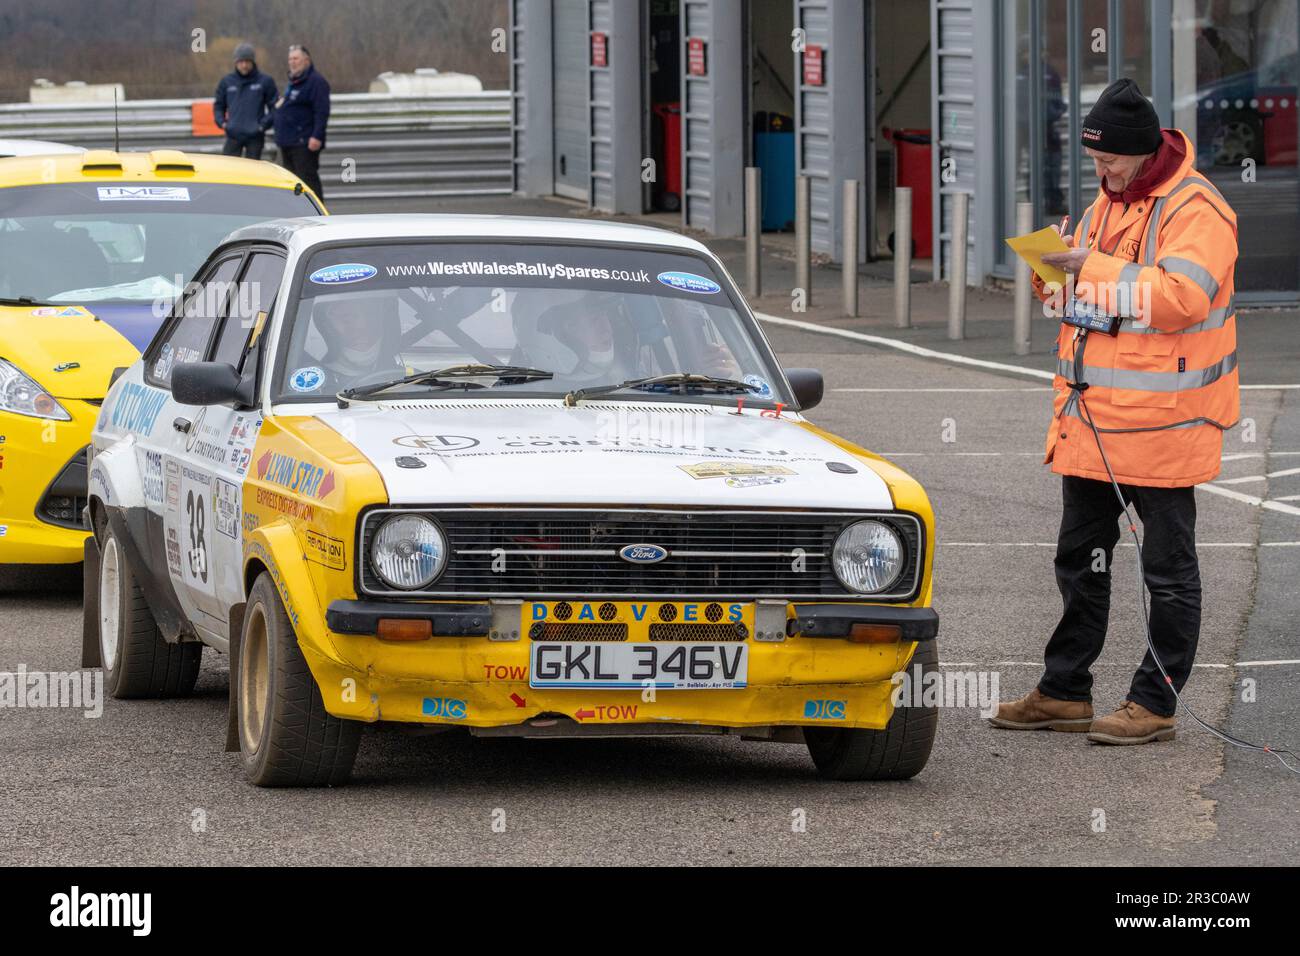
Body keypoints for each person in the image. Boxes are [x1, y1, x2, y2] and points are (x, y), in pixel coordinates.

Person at [990, 78, 1239, 745]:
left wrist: (1088, 266)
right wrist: (1054, 273)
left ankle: (1154, 703)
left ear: (1143, 151)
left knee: (1167, 572)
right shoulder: (1111, 200)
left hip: (1162, 425)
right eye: (1095, 162)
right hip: (1095, 419)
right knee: (1080, 561)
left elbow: (1181, 297)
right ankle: (1065, 690)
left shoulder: (1197, 208)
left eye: (1110, 162)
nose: (1101, 173)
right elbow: (1093, 293)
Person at [273, 44, 330, 201]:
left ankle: (318, 215)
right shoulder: (294, 82)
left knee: (308, 180)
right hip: (287, 142)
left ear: (306, 60)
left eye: (296, 58)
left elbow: (322, 111)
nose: (292, 62)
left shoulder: (316, 82)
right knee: (293, 183)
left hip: (304, 143)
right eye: (290, 59)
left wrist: (317, 136)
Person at [213, 43, 277, 159]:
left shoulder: (265, 81)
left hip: (255, 135)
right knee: (227, 168)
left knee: (253, 172)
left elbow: (275, 107)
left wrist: (262, 126)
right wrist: (223, 123)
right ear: (236, 62)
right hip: (233, 134)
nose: (244, 65)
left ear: (253, 62)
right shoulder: (227, 82)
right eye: (241, 62)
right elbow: (218, 106)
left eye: (247, 62)